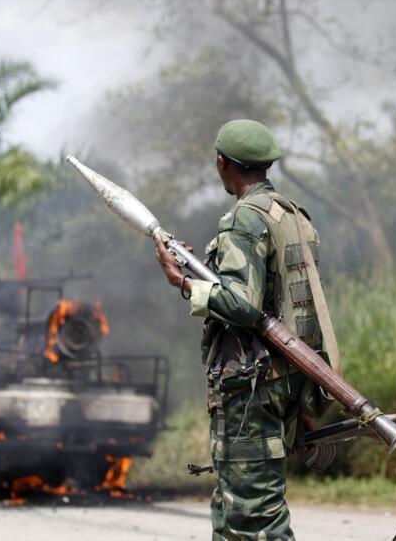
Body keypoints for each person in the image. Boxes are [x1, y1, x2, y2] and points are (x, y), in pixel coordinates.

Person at [154, 119, 332, 540]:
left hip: (251, 388)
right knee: (233, 511)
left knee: (255, 518)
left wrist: (182, 282)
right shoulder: (292, 216)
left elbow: (243, 305)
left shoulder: (242, 220)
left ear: (222, 163)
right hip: (284, 379)